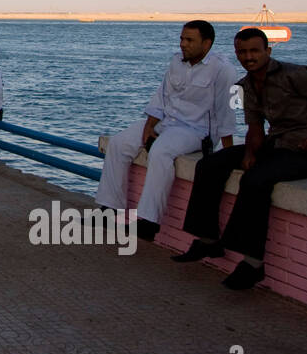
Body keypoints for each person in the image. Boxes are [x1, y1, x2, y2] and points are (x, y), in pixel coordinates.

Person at [173, 28, 307, 290]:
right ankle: (208, 241)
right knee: (210, 164)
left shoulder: (296, 75)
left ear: (268, 51)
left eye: (255, 50)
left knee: (256, 181)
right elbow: (255, 126)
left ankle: (253, 264)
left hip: (304, 155)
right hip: (273, 147)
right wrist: (249, 153)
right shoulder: (245, 86)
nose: (249, 56)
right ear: (237, 53)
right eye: (243, 52)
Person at [95, 20, 239, 242]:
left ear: (207, 43)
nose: (183, 44)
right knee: (118, 143)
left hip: (196, 130)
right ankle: (108, 210)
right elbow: (161, 96)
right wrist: (149, 126)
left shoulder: (224, 70)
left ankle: (148, 222)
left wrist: (228, 153)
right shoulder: (176, 62)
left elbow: (227, 112)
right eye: (182, 39)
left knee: (160, 152)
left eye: (189, 40)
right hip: (167, 122)